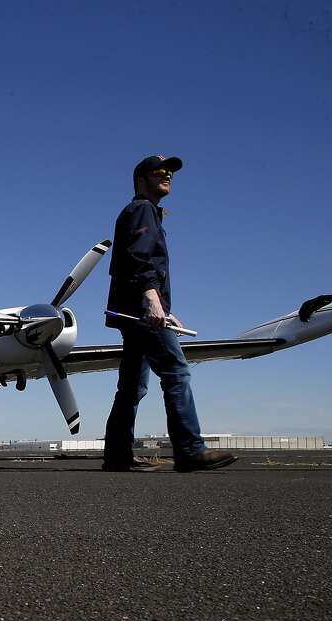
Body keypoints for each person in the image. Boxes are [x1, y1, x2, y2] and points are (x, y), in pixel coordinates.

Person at [102, 155, 236, 473]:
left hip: (136, 311)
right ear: (140, 180)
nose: (167, 176)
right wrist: (152, 300)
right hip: (143, 312)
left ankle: (117, 454)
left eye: (170, 173)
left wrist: (164, 309)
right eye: (159, 172)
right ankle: (190, 450)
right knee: (177, 372)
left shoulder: (141, 212)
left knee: (132, 385)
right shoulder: (142, 209)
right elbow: (138, 257)